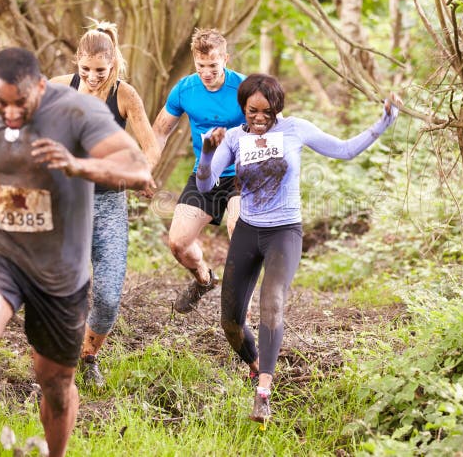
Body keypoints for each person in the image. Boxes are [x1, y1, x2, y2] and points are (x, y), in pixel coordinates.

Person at [0, 48, 154, 456]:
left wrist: (78, 166)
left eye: (20, 103)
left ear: (42, 88)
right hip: (2, 251)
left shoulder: (76, 112)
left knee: (56, 384)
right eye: (1, 103)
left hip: (61, 268)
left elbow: (137, 168)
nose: (10, 113)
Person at [196, 73, 399, 422]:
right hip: (248, 230)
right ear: (243, 108)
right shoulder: (232, 138)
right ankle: (257, 364)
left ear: (278, 108)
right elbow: (206, 183)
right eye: (252, 111)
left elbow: (346, 150)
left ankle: (263, 392)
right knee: (230, 322)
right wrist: (207, 152)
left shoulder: (295, 129)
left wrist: (384, 121)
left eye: (267, 111)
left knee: (272, 303)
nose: (259, 118)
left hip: (284, 232)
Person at [50, 21, 160, 388]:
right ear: (77, 61)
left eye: (101, 70)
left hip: (110, 204)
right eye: (86, 69)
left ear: (113, 63)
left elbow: (151, 145)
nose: (93, 77)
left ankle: (89, 355)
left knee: (109, 297)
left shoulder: (125, 95)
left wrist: (143, 173)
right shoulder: (60, 87)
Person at [151, 28, 246, 313]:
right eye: (201, 66)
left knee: (238, 229)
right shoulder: (185, 89)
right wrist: (146, 169)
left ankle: (242, 305)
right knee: (178, 243)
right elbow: (159, 133)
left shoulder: (243, 88)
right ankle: (204, 280)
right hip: (205, 174)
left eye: (213, 66)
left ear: (225, 59)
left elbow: (271, 124)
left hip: (241, 174)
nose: (206, 72)